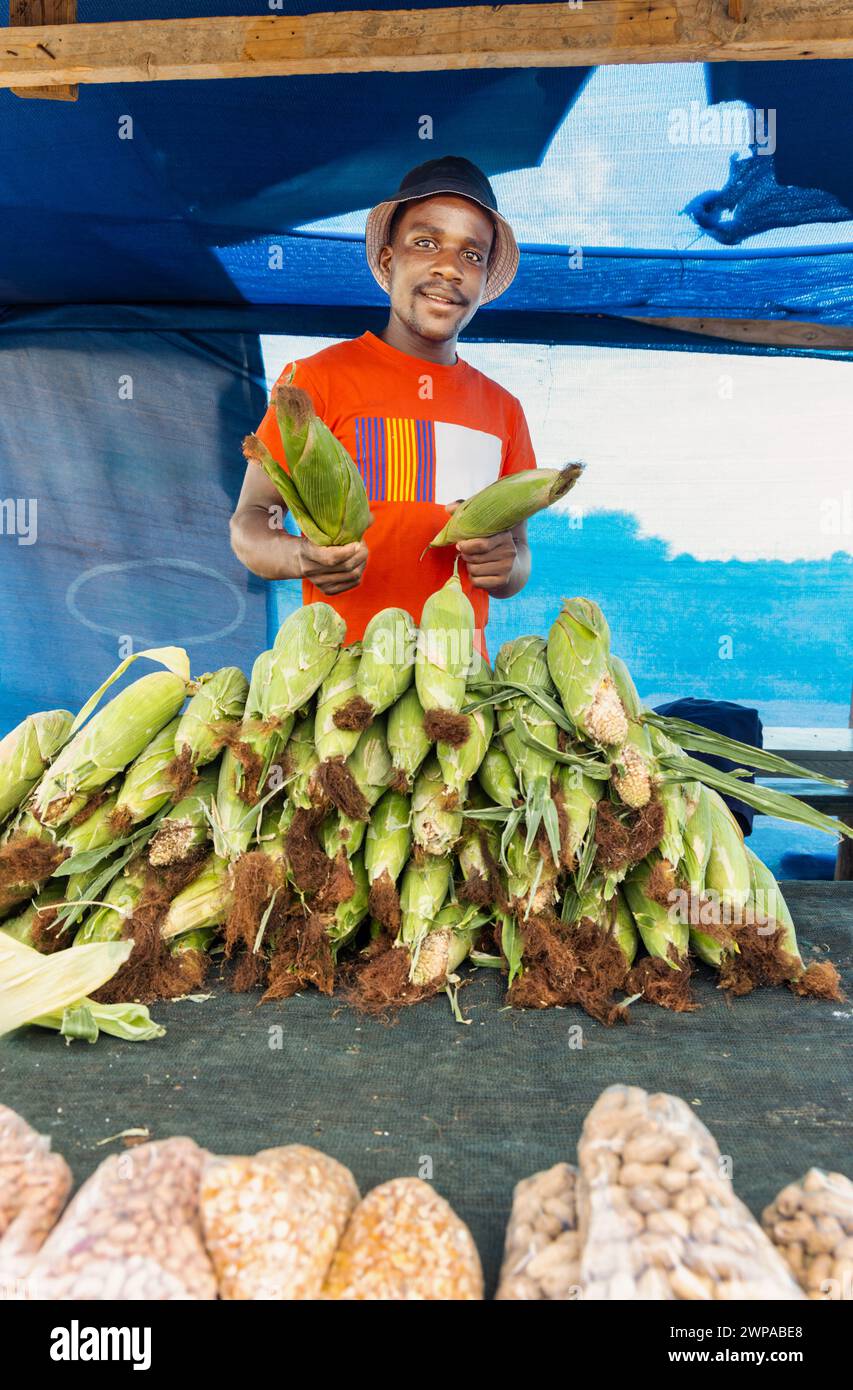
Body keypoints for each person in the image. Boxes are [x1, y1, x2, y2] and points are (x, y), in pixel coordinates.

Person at [230, 155, 536, 658]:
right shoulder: (313, 381)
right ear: (390, 260)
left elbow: (518, 555)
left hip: (458, 691)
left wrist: (506, 568)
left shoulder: (504, 410)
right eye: (426, 243)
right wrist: (301, 556)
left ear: (483, 281)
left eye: (473, 255)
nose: (449, 267)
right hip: (338, 684)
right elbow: (251, 520)